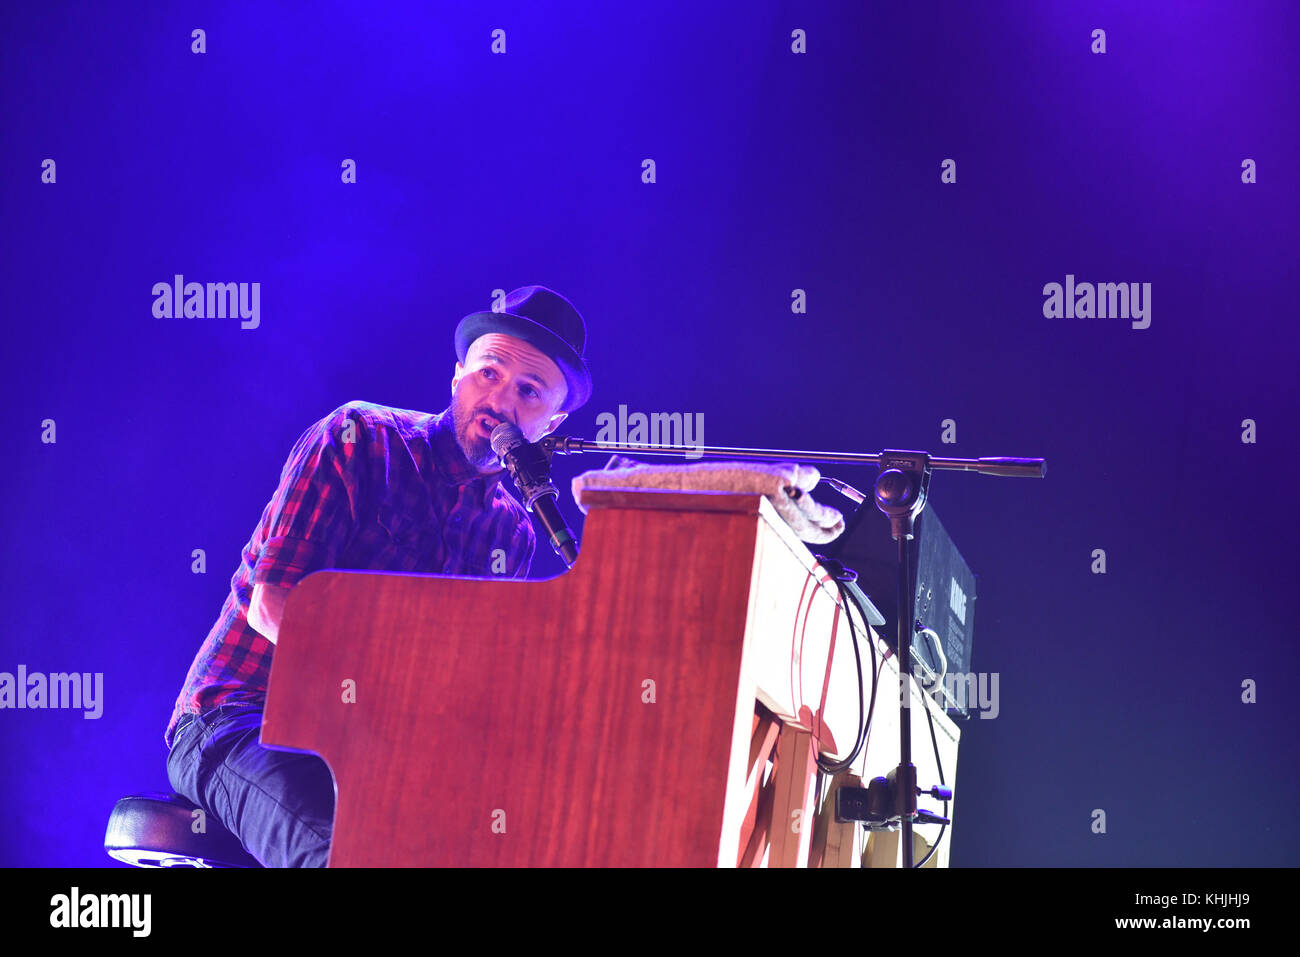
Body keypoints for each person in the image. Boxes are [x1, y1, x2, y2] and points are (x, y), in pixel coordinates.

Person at [163, 285, 593, 867]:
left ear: (552, 424)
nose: (500, 400)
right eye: (489, 373)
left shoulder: (514, 534)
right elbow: (273, 606)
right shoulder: (360, 438)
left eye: (528, 390)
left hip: (374, 751)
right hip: (241, 718)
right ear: (456, 376)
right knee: (353, 855)